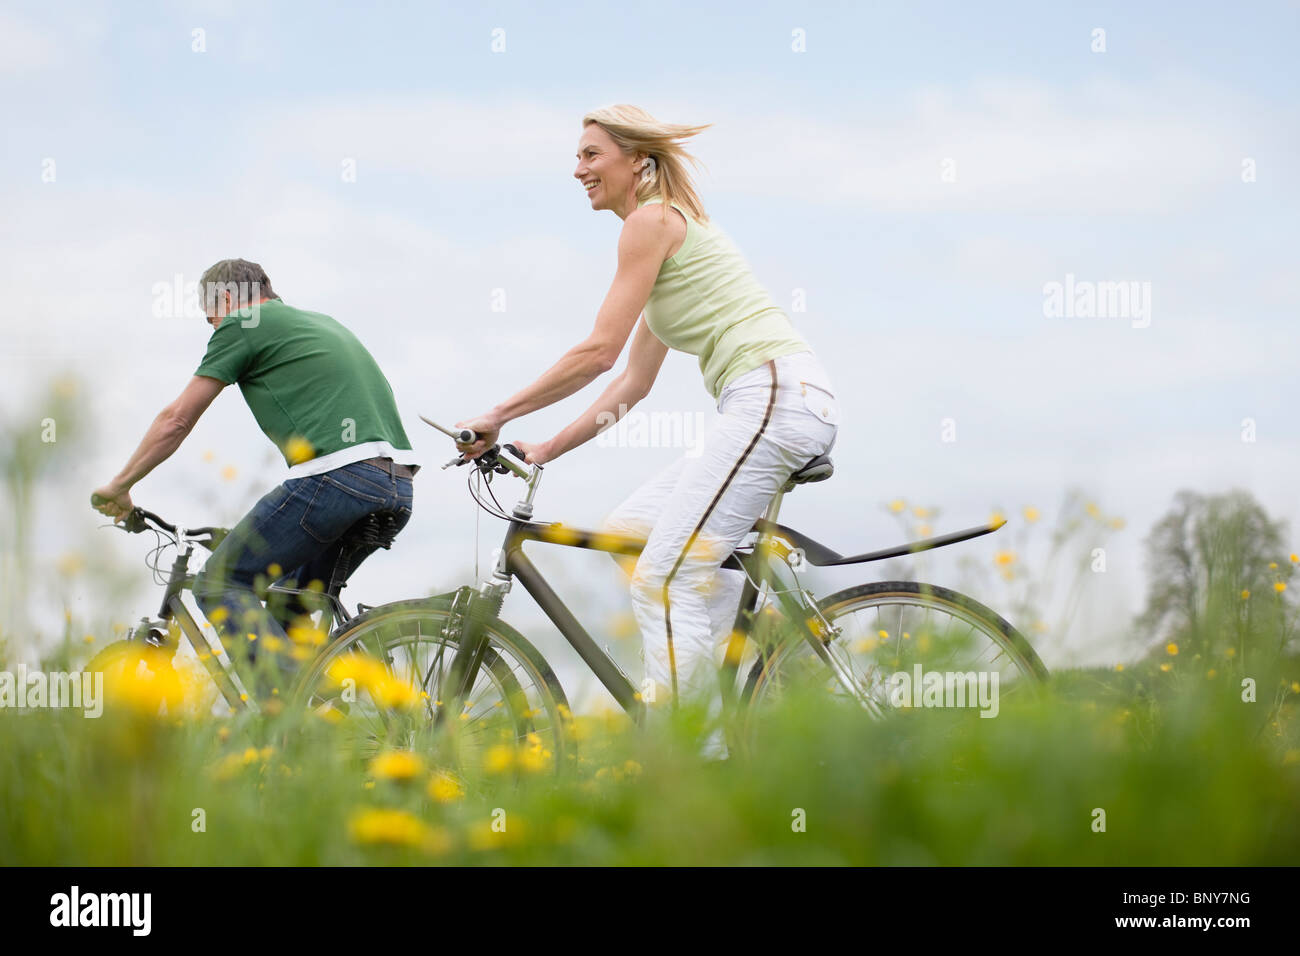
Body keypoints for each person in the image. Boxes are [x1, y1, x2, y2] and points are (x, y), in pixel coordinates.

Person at [454, 105, 839, 758]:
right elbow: (629, 385)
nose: (577, 170)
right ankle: (717, 693)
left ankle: (697, 760)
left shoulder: (651, 222)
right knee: (631, 533)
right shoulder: (668, 240)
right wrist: (545, 448)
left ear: (638, 161)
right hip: (771, 403)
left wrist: (498, 414)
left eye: (591, 155)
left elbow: (597, 351)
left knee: (665, 580)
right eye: (576, 157)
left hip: (772, 399)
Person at [92, 258, 418, 686]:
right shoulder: (319, 323)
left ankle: (292, 718)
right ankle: (323, 721)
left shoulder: (244, 322)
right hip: (397, 486)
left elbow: (176, 420)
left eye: (212, 321)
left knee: (219, 583)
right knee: (292, 603)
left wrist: (121, 485)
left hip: (339, 478)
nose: (216, 332)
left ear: (227, 300)